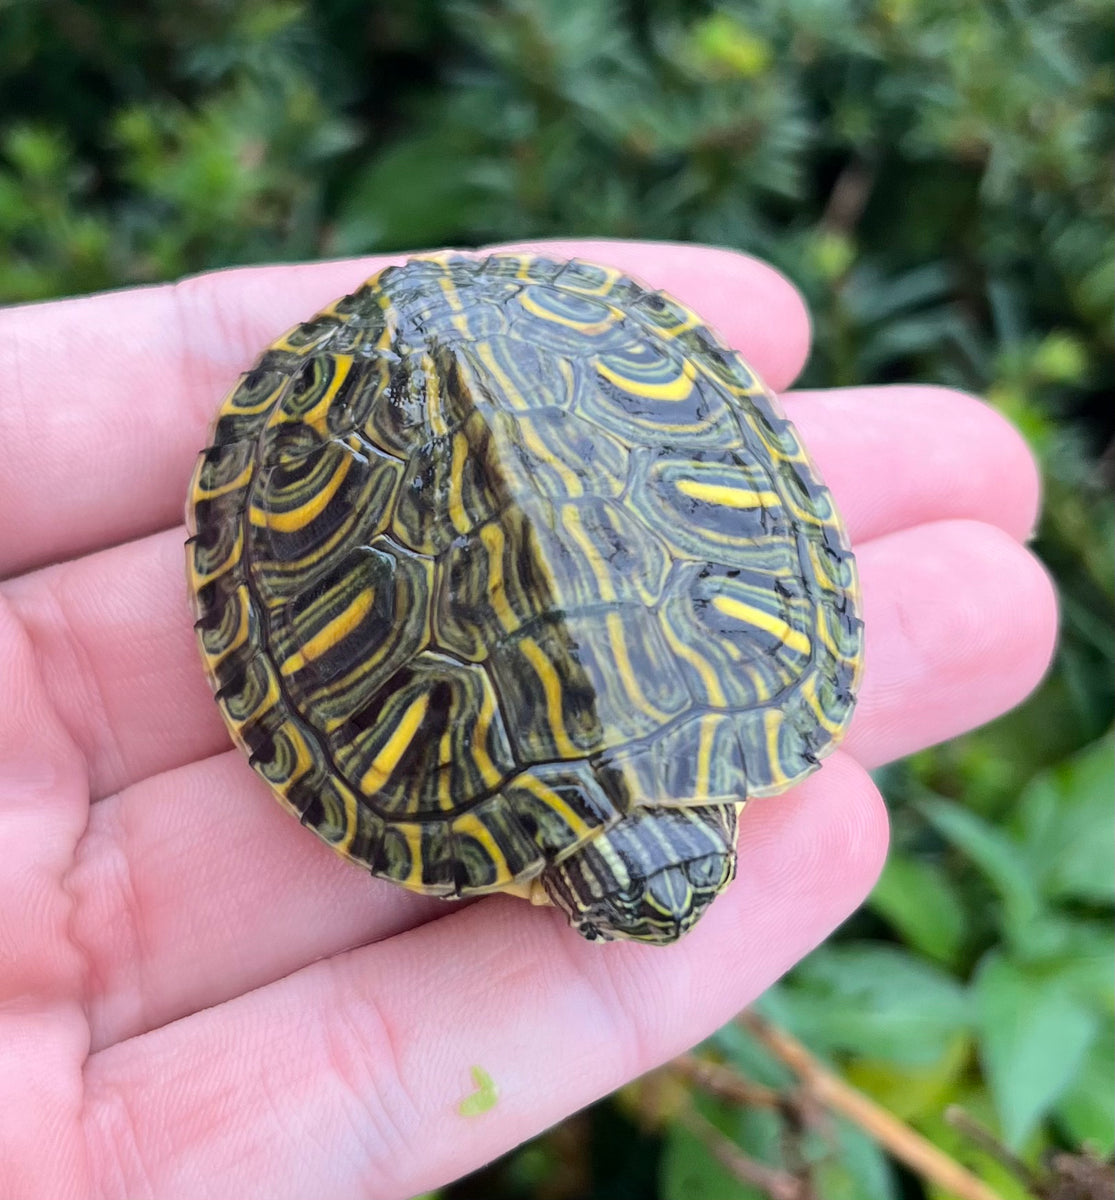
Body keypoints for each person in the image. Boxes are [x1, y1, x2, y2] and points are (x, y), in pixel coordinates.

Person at [0, 241, 1055, 1199]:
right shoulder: (765, 691)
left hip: (525, 368)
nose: (660, 918)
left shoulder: (466, 811)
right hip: (501, 367)